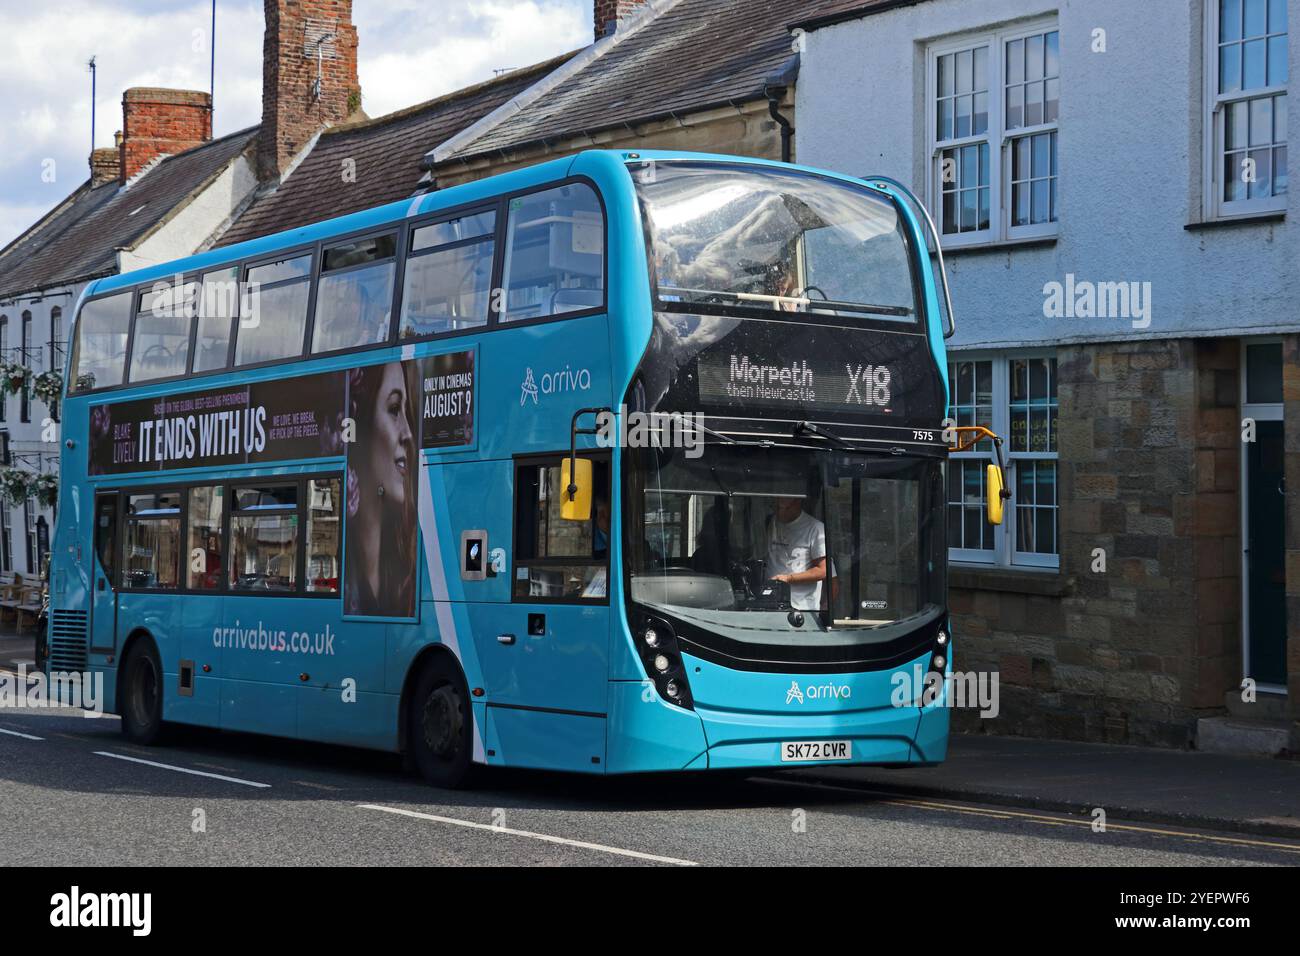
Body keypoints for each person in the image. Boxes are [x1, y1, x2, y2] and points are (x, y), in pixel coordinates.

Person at [345, 361, 418, 616]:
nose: (408, 433)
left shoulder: (403, 574)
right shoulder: (345, 567)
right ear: (363, 422)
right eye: (395, 409)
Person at [765, 495, 828, 611]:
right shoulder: (772, 521)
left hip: (801, 607)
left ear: (798, 502)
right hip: (771, 604)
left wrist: (788, 579)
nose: (780, 513)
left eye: (784, 508)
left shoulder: (815, 529)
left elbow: (824, 570)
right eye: (776, 508)